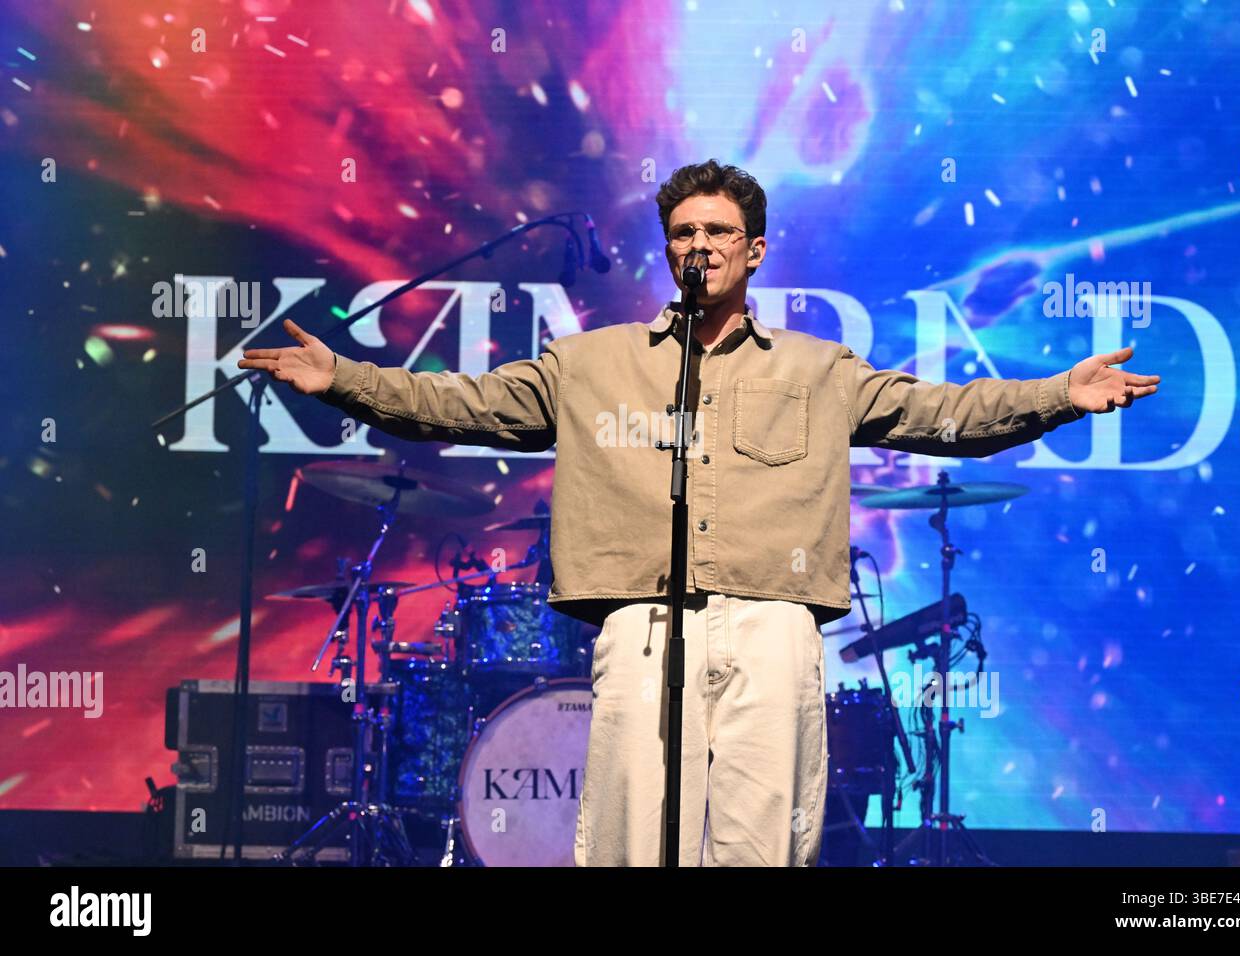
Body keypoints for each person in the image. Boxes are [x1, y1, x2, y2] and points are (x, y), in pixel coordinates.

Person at [239, 159, 1159, 866]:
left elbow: (945, 417)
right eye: (683, 232)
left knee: (762, 843)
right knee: (632, 840)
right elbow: (465, 405)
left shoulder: (817, 368)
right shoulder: (593, 363)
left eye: (720, 231)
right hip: (641, 623)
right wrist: (345, 382)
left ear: (755, 250)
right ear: (666, 248)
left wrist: (1057, 393)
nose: (700, 246)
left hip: (773, 623)